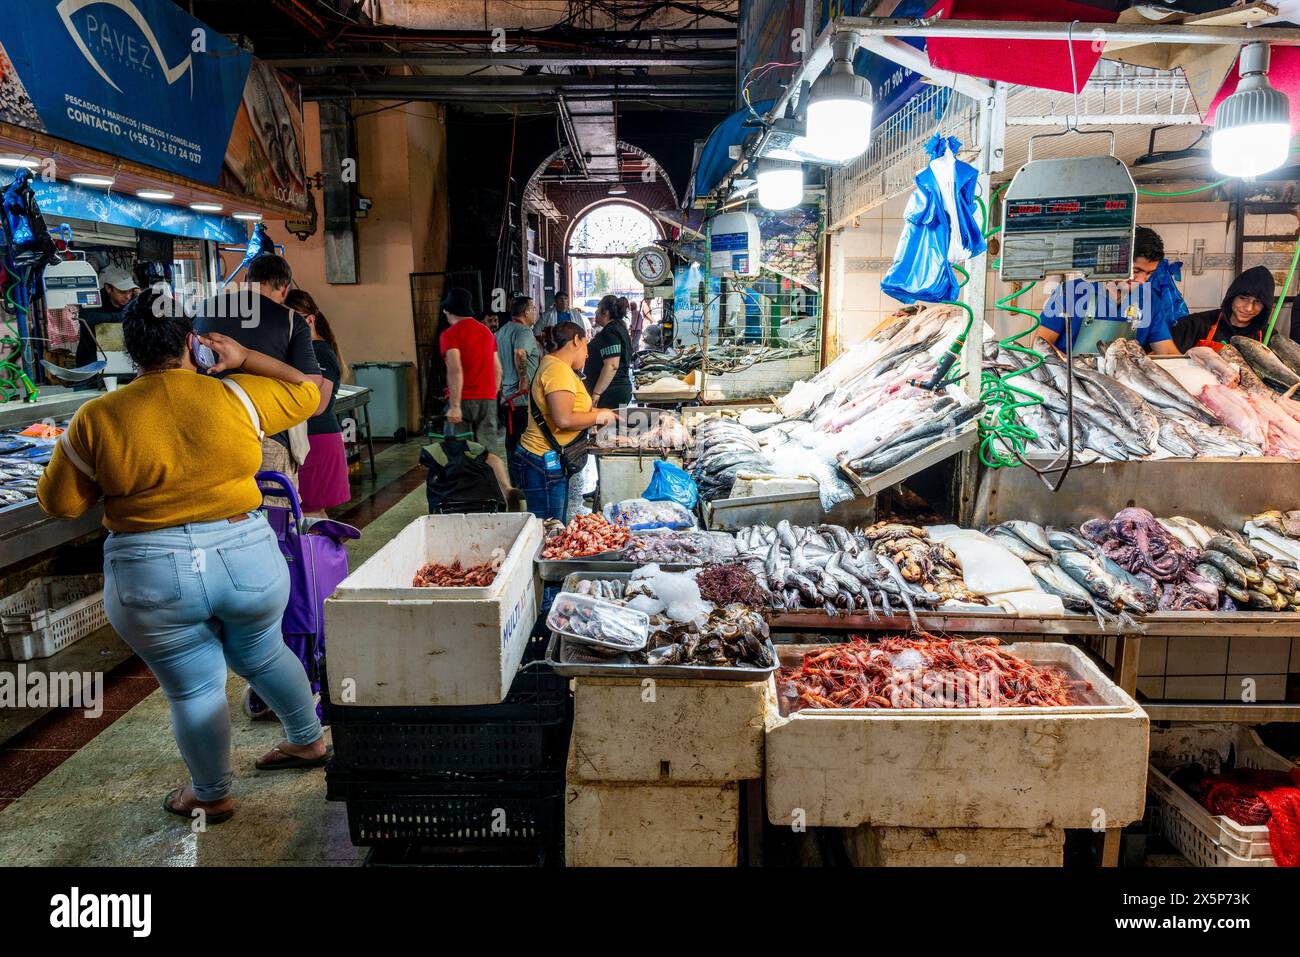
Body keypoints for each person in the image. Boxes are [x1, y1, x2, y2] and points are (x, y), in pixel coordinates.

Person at [36, 291, 329, 825]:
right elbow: (310, 390)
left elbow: (60, 503)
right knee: (263, 653)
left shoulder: (97, 417)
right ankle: (307, 741)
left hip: (152, 572)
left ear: (129, 351)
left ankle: (211, 794)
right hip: (246, 554)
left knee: (194, 685)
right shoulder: (238, 397)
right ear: (192, 343)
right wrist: (243, 358)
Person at [195, 254, 330, 490]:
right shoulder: (289, 320)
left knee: (223, 515)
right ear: (285, 288)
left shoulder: (205, 309)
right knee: (274, 519)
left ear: (247, 278)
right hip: (269, 437)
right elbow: (310, 382)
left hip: (210, 434)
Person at [516, 321, 615, 521]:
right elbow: (564, 418)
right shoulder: (557, 370)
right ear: (576, 341)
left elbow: (574, 410)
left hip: (545, 460)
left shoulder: (557, 366)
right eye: (586, 347)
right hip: (541, 461)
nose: (587, 355)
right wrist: (599, 416)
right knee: (549, 529)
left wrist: (602, 412)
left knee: (553, 526)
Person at [1033, 226, 1180, 356]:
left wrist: (1190, 360)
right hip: (1069, 380)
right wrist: (1072, 368)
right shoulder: (1070, 292)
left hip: (1121, 380)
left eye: (1149, 273)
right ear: (1117, 261)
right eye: (1136, 271)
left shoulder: (1149, 300)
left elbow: (1166, 351)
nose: (1141, 280)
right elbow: (1040, 345)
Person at [284, 289, 351, 517]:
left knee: (311, 512)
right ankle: (328, 554)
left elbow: (318, 406)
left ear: (309, 320)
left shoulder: (320, 352)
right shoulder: (306, 351)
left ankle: (329, 554)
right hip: (312, 440)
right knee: (313, 513)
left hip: (319, 442)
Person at [439, 286, 506, 462]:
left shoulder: (450, 334)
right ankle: (499, 487)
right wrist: (492, 393)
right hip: (488, 398)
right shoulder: (486, 332)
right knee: (488, 451)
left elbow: (455, 370)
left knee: (460, 452)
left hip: (464, 399)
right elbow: (498, 369)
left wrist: (454, 405)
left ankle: (465, 487)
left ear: (448, 310)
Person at [1172, 265, 1275, 352]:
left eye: (1258, 302)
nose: (1248, 308)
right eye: (1243, 298)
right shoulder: (1194, 324)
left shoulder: (1269, 335)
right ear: (1231, 297)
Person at [496, 295, 542, 482]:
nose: (535, 312)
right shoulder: (523, 332)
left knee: (512, 441)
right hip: (521, 398)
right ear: (526, 312)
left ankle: (516, 481)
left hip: (507, 398)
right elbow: (519, 352)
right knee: (525, 441)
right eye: (533, 309)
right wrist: (523, 378)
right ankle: (524, 482)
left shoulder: (501, 332)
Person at [75, 264, 140, 368]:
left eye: (130, 291)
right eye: (122, 291)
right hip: (91, 362)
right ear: (108, 288)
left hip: (124, 362)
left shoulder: (134, 301)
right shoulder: (93, 298)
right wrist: (121, 317)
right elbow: (87, 318)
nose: (128, 296)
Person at [584, 294, 634, 409]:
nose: (595, 312)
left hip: (611, 392)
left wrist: (596, 393)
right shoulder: (618, 328)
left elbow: (612, 365)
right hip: (615, 390)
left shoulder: (610, 332)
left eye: (598, 308)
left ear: (605, 312)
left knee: (607, 427)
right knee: (613, 426)